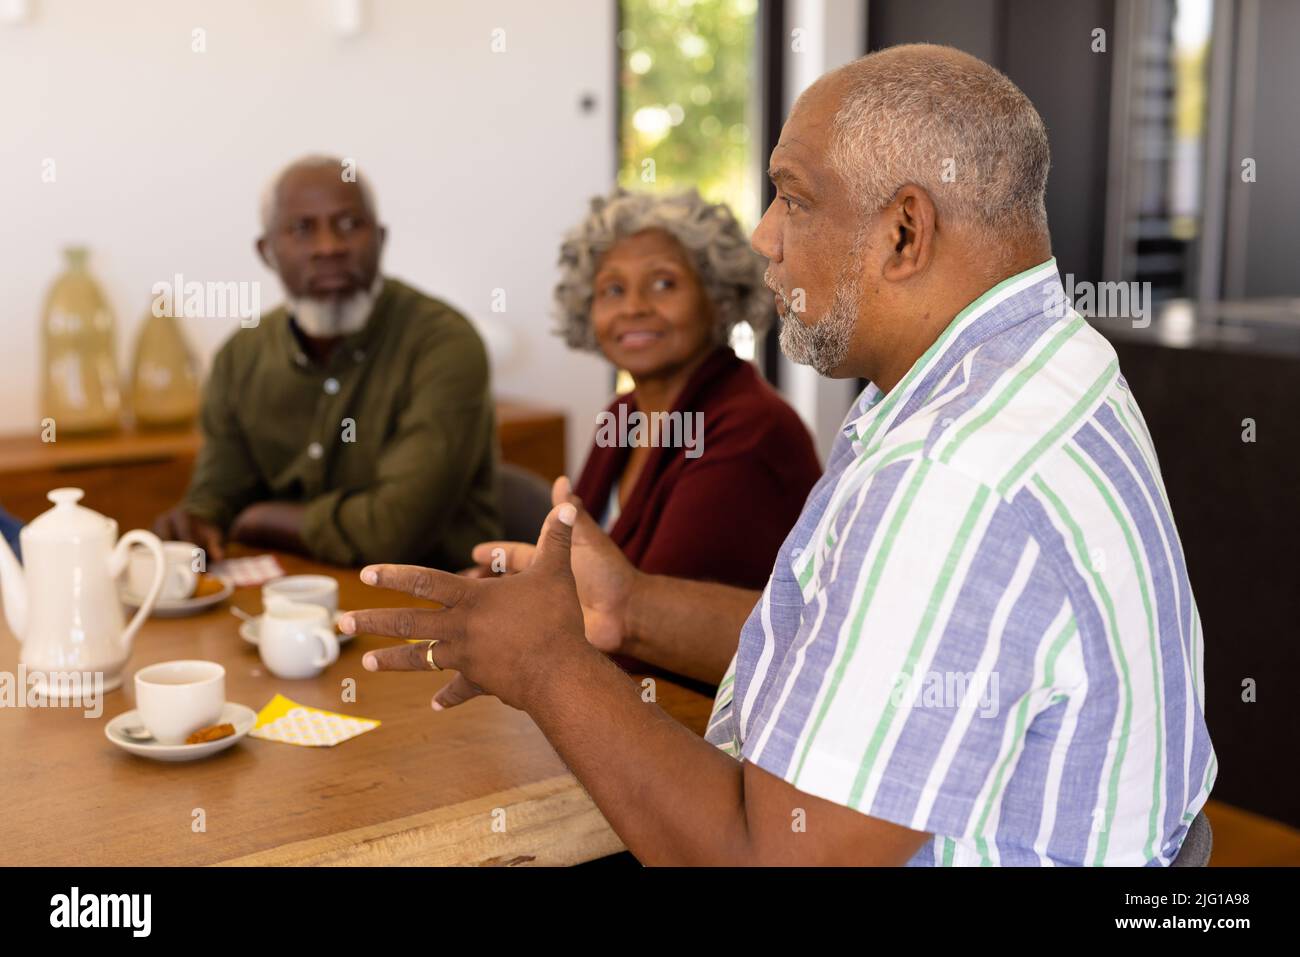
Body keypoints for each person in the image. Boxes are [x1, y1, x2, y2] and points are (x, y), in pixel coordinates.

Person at [342, 45, 1215, 866]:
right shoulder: (1038, 362)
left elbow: (766, 855)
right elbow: (850, 644)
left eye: (792, 198)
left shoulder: (952, 476)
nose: (765, 235)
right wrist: (632, 608)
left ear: (904, 232)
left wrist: (548, 665)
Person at [154, 155, 499, 569]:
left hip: (436, 605)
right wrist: (197, 522)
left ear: (381, 239)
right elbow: (217, 496)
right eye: (302, 229)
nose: (329, 247)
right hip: (292, 603)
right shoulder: (239, 358)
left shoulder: (444, 345)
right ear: (267, 252)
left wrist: (261, 519)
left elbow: (390, 533)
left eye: (350, 225)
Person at [552, 188, 820, 589]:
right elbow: (564, 568)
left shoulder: (750, 429)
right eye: (613, 290)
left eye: (663, 284)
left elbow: (654, 621)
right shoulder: (623, 414)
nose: (634, 308)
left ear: (719, 298)